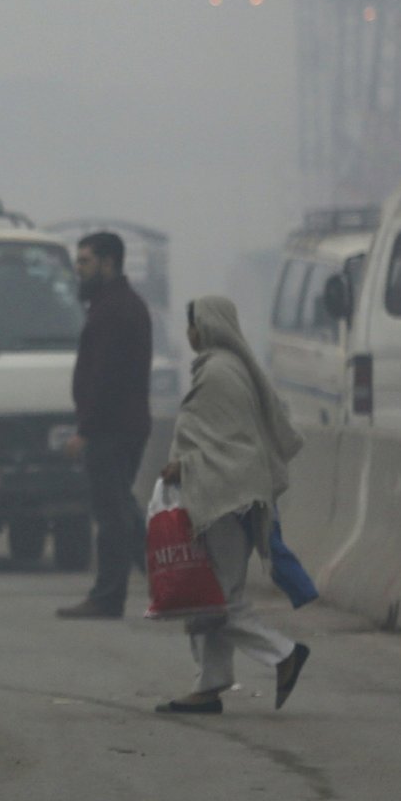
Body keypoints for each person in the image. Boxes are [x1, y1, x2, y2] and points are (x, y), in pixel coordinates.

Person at [156, 295, 309, 715]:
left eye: (191, 324)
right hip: (226, 495)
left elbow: (224, 445)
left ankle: (284, 654)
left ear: (203, 326)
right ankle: (209, 685)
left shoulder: (219, 372)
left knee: (217, 600)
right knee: (210, 593)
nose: (187, 333)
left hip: (225, 498)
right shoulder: (223, 367)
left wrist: (181, 466)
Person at [57, 232, 154, 619]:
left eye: (85, 262)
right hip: (124, 425)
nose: (78, 270)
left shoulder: (114, 311)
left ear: (108, 263)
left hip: (111, 429)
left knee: (112, 517)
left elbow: (106, 378)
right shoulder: (115, 305)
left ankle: (108, 597)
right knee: (123, 510)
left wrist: (86, 429)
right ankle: (170, 581)